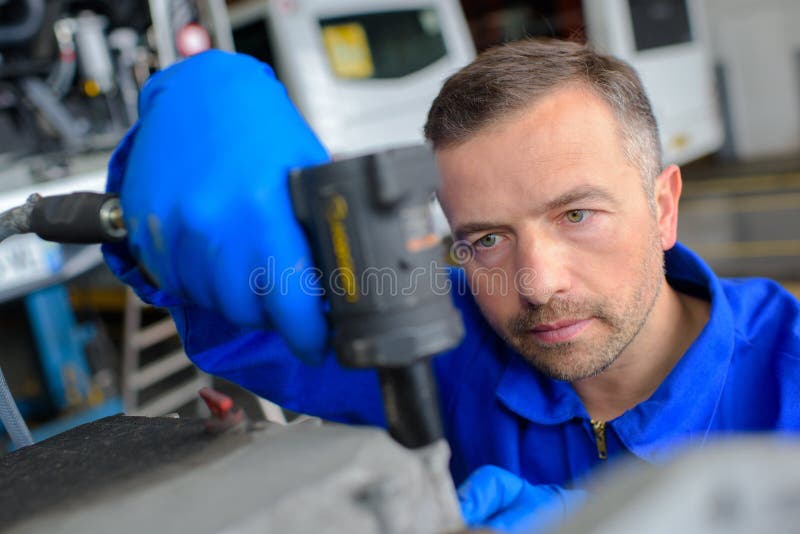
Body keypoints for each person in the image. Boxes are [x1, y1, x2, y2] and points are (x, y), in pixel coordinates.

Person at [103, 40, 800, 532]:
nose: (537, 283)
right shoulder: (439, 335)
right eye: (486, 239)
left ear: (663, 206)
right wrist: (188, 125)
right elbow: (229, 288)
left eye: (577, 214)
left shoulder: (787, 374)